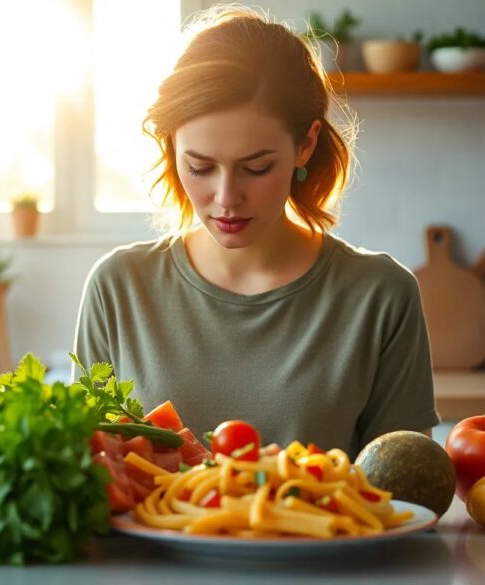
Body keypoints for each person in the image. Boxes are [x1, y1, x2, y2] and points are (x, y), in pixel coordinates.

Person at [73, 6, 439, 457]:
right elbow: (93, 468)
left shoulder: (382, 297)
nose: (226, 197)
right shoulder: (119, 288)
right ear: (172, 148)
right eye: (200, 167)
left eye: (256, 167)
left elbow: (405, 492)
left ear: (305, 144)